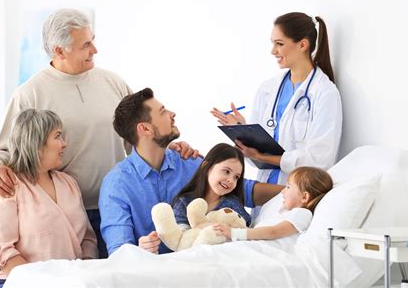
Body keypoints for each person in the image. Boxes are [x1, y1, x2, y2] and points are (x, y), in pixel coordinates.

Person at [0, 8, 196, 258]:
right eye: (85, 45)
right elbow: (4, 150)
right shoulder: (30, 93)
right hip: (68, 215)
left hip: (117, 207)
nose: (94, 50)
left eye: (92, 40)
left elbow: (139, 132)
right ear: (59, 50)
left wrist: (167, 148)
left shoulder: (112, 82)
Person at [99, 88, 283, 255]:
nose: (172, 114)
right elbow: (118, 251)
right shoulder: (116, 185)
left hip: (201, 267)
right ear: (145, 128)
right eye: (163, 112)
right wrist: (140, 249)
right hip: (153, 274)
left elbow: (244, 189)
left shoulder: (187, 161)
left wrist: (301, 190)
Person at [211, 12, 342, 188]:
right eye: (273, 43)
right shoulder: (268, 89)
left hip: (298, 192)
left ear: (302, 45)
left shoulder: (325, 93)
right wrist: (245, 133)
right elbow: (254, 158)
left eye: (279, 44)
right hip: (265, 188)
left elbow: (319, 161)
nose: (273, 51)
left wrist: (263, 157)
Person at [0, 109, 97, 288]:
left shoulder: (69, 183)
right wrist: (47, 283)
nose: (64, 144)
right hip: (8, 280)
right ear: (36, 143)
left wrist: (86, 273)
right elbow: (3, 253)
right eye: (57, 136)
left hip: (67, 281)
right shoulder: (7, 185)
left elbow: (88, 239)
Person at [213, 166, 333, 243]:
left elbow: (273, 232)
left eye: (288, 186)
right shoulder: (286, 212)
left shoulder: (302, 214)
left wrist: (234, 233)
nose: (282, 191)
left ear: (304, 197)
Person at [173, 143, 251, 230]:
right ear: (206, 166)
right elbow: (180, 235)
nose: (231, 180)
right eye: (226, 171)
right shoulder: (184, 201)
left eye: (236, 177)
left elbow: (245, 230)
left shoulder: (232, 205)